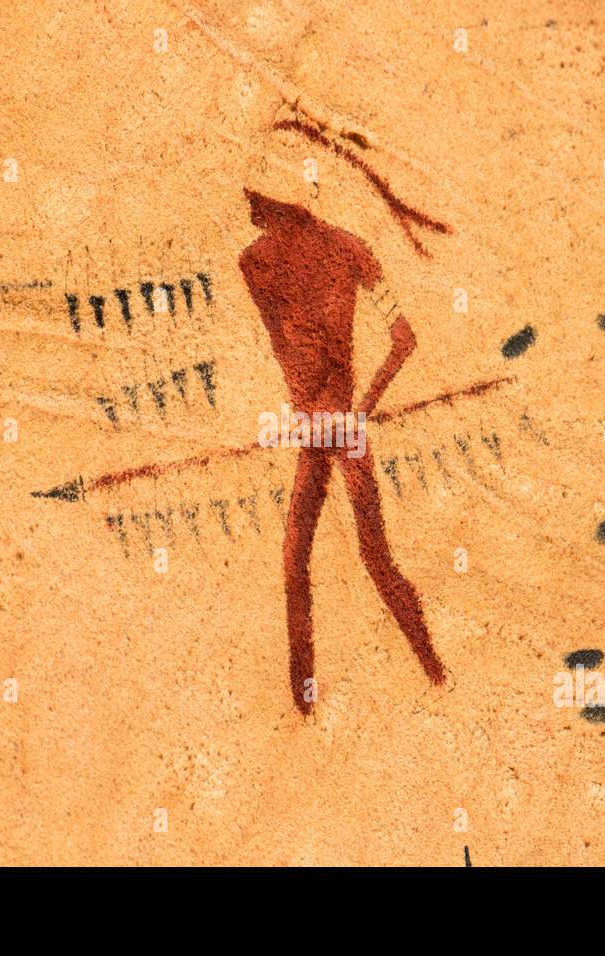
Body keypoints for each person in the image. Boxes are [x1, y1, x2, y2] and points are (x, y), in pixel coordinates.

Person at [239, 188, 446, 714]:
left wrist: (325, 413)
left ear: (278, 199)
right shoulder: (348, 248)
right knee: (369, 557)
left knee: (299, 562)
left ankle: (307, 705)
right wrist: (360, 408)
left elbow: (292, 352)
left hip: (321, 428)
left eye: (255, 196)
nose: (247, 208)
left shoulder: (257, 263)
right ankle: (433, 671)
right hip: (339, 426)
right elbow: (404, 339)